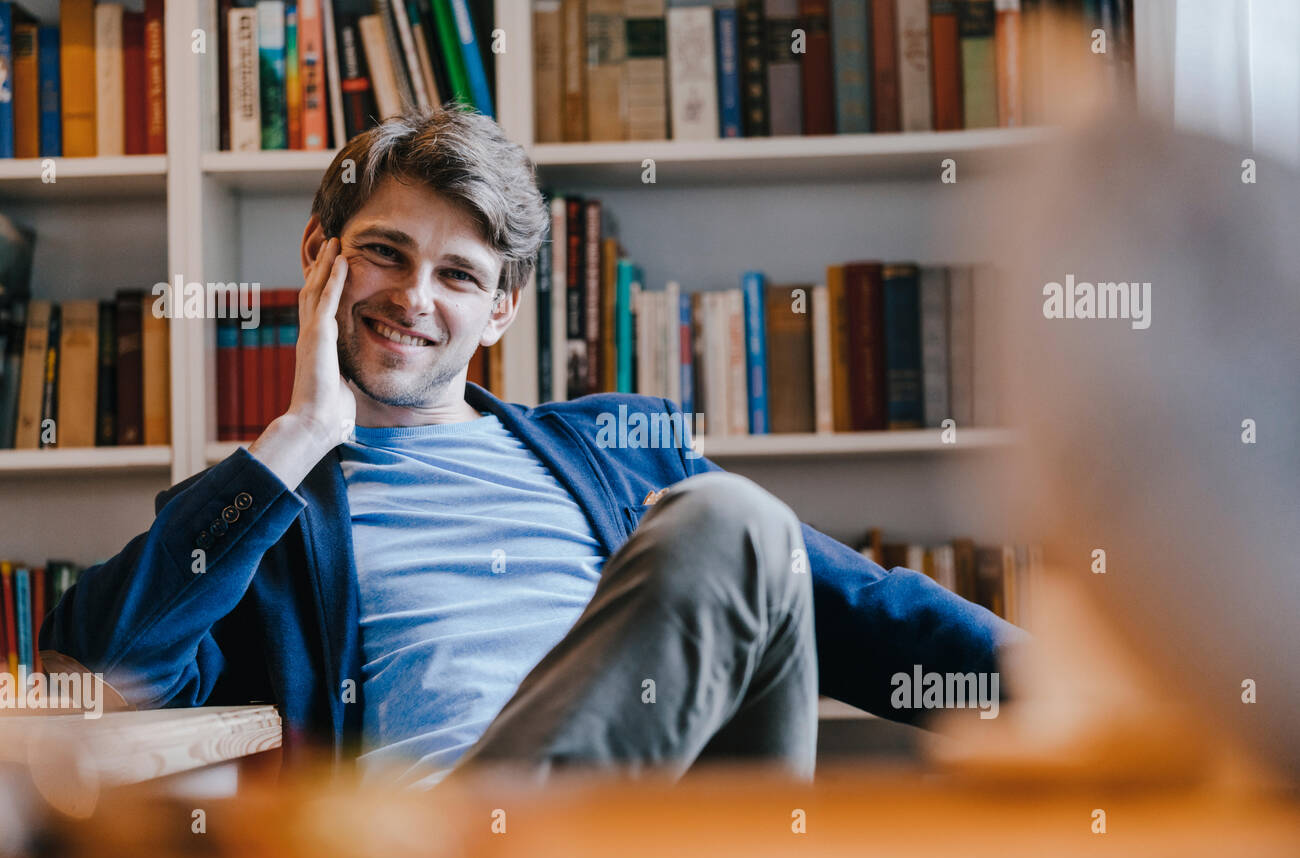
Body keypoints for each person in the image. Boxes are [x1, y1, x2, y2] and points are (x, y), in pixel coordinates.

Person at [39, 108, 1023, 789]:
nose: (413, 298)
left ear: (502, 310)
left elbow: (867, 612)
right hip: (447, 841)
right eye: (384, 251)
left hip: (663, 834)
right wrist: (294, 443)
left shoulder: (618, 453)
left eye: (457, 275)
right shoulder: (257, 508)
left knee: (734, 524)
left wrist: (1123, 704)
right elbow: (104, 667)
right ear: (319, 257)